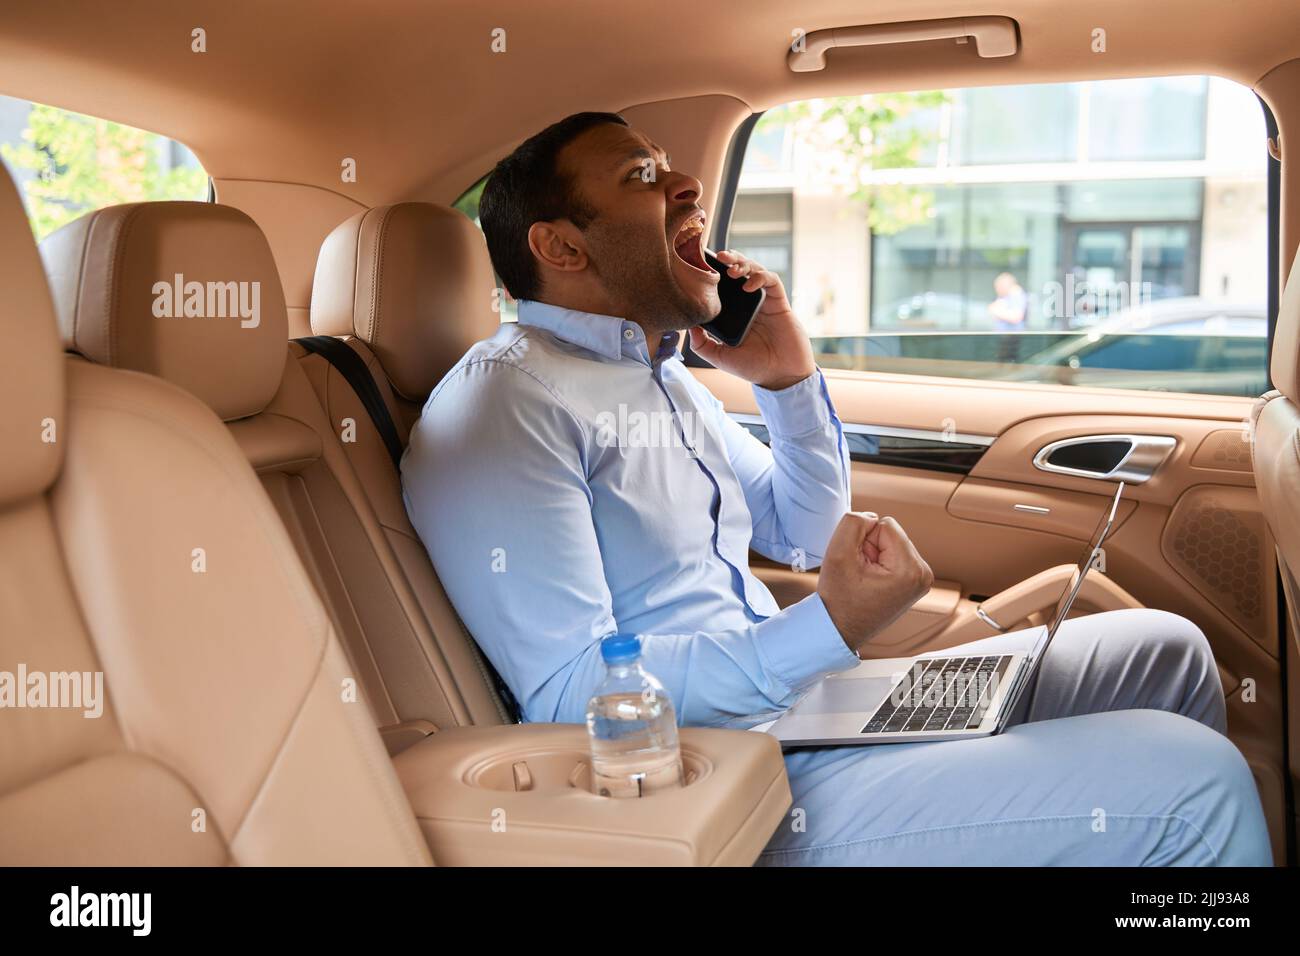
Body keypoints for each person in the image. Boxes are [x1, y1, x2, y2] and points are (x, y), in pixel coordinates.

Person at [402, 112, 1271, 866]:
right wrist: (826, 628)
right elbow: (566, 697)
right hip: (724, 790)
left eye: (669, 164)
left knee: (1162, 646)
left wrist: (786, 381)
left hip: (806, 713)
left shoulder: (658, 377)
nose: (687, 183)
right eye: (643, 175)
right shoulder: (503, 406)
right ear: (560, 245)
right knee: (1195, 788)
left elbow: (799, 532)